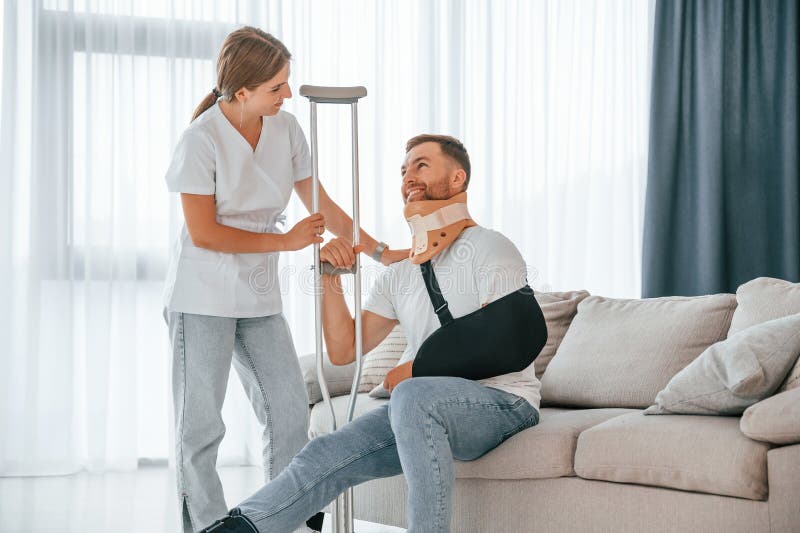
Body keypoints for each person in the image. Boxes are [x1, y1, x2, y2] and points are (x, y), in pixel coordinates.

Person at [201, 135, 544, 533]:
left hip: (503, 401)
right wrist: (329, 276)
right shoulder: (399, 276)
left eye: (421, 165)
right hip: (422, 407)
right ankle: (241, 527)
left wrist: (416, 371)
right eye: (403, 170)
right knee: (326, 451)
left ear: (457, 179)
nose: (408, 176)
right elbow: (345, 349)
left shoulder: (490, 247)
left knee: (412, 394)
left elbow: (512, 338)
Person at [163, 26, 405, 533]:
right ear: (242, 90)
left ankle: (278, 519)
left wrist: (382, 251)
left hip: (257, 294)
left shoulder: (287, 128)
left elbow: (320, 202)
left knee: (289, 408)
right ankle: (209, 527)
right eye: (277, 86)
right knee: (201, 426)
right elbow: (205, 233)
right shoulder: (200, 140)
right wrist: (287, 241)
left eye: (287, 82)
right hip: (201, 293)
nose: (288, 93)